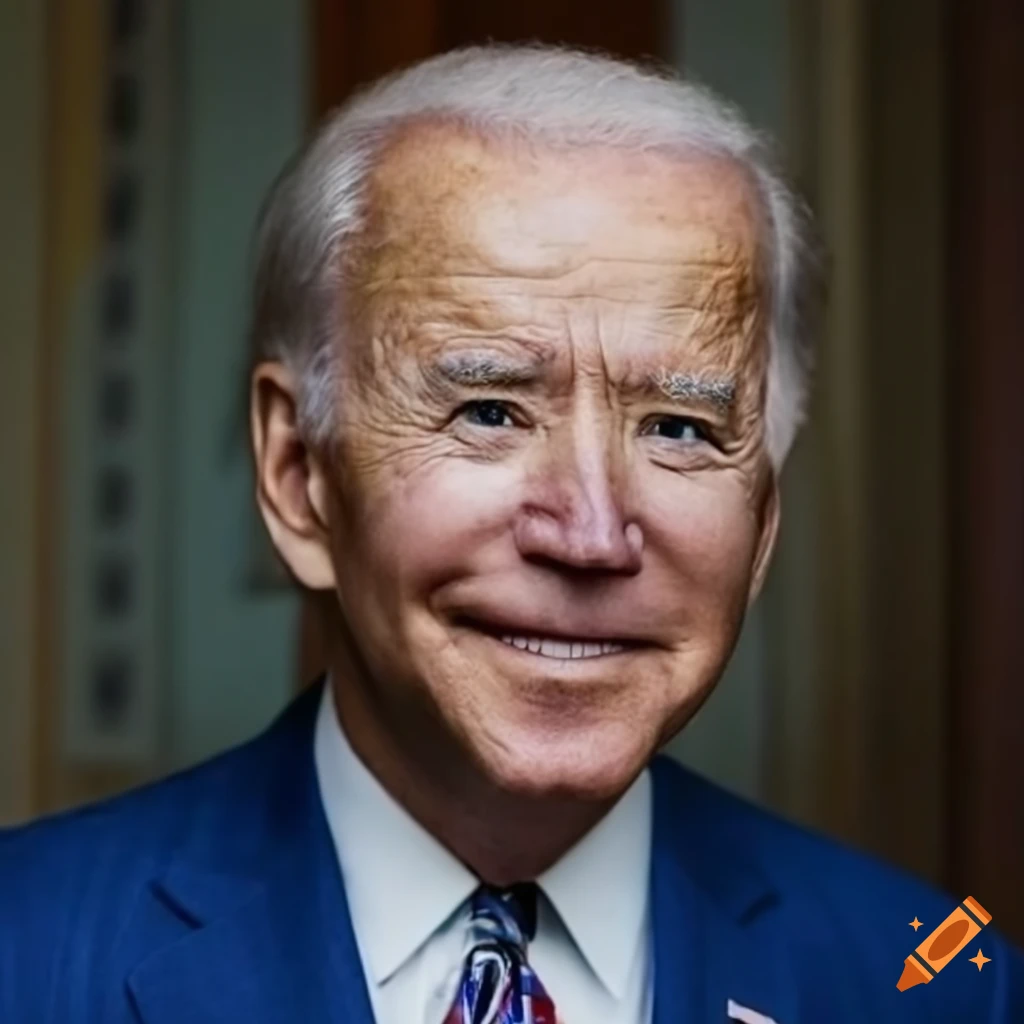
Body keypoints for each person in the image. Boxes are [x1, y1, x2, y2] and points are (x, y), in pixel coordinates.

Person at [1, 43, 1020, 1024]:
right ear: (298, 474)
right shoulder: (25, 950)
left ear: (762, 519)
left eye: (678, 427)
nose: (588, 532)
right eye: (488, 409)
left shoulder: (934, 982)